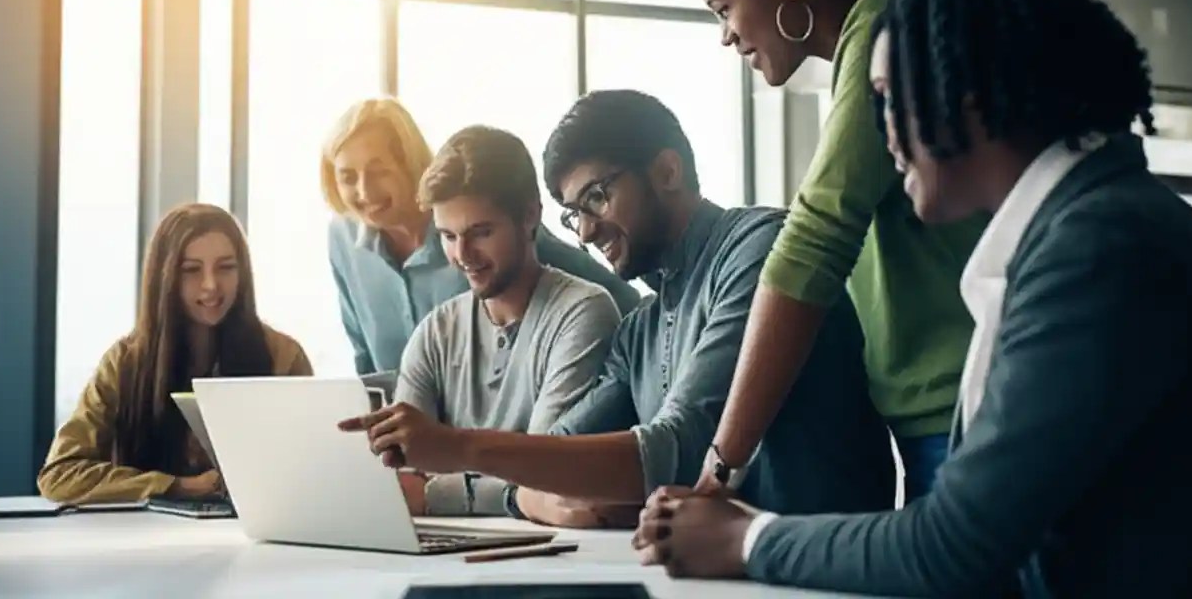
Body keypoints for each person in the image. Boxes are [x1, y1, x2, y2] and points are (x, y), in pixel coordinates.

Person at [635, 0, 1192, 598]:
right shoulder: (1077, 228)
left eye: (889, 98)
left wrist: (743, 538)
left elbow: (954, 547)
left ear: (965, 94)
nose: (882, 131)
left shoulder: (1096, 247)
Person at [339, 90, 894, 528]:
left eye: (596, 198)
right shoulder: (639, 332)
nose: (584, 229)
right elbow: (555, 452)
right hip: (726, 574)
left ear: (667, 172)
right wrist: (517, 492)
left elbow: (675, 447)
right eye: (572, 213)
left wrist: (458, 447)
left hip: (822, 573)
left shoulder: (756, 249)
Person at [688, 0, 988, 499]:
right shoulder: (864, 50)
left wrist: (718, 473)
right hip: (941, 419)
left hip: (971, 413)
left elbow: (814, 240)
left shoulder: (888, 20)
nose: (725, 35)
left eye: (723, 7)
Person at [383, 125, 621, 516]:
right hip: (450, 545)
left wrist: (436, 494)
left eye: (481, 232)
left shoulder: (583, 312)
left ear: (529, 216)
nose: (462, 255)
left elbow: (546, 469)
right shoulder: (436, 331)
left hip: (550, 550)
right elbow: (404, 470)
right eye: (447, 235)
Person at [324, 98, 641, 378]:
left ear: (409, 163)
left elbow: (619, 301)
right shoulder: (343, 240)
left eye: (379, 172)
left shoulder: (490, 221)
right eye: (347, 177)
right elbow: (364, 357)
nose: (364, 193)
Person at [39, 204, 313, 504]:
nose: (211, 285)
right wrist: (177, 486)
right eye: (191, 270)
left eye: (226, 267)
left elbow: (312, 467)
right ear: (165, 277)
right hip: (139, 539)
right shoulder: (126, 362)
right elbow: (60, 475)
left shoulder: (283, 356)